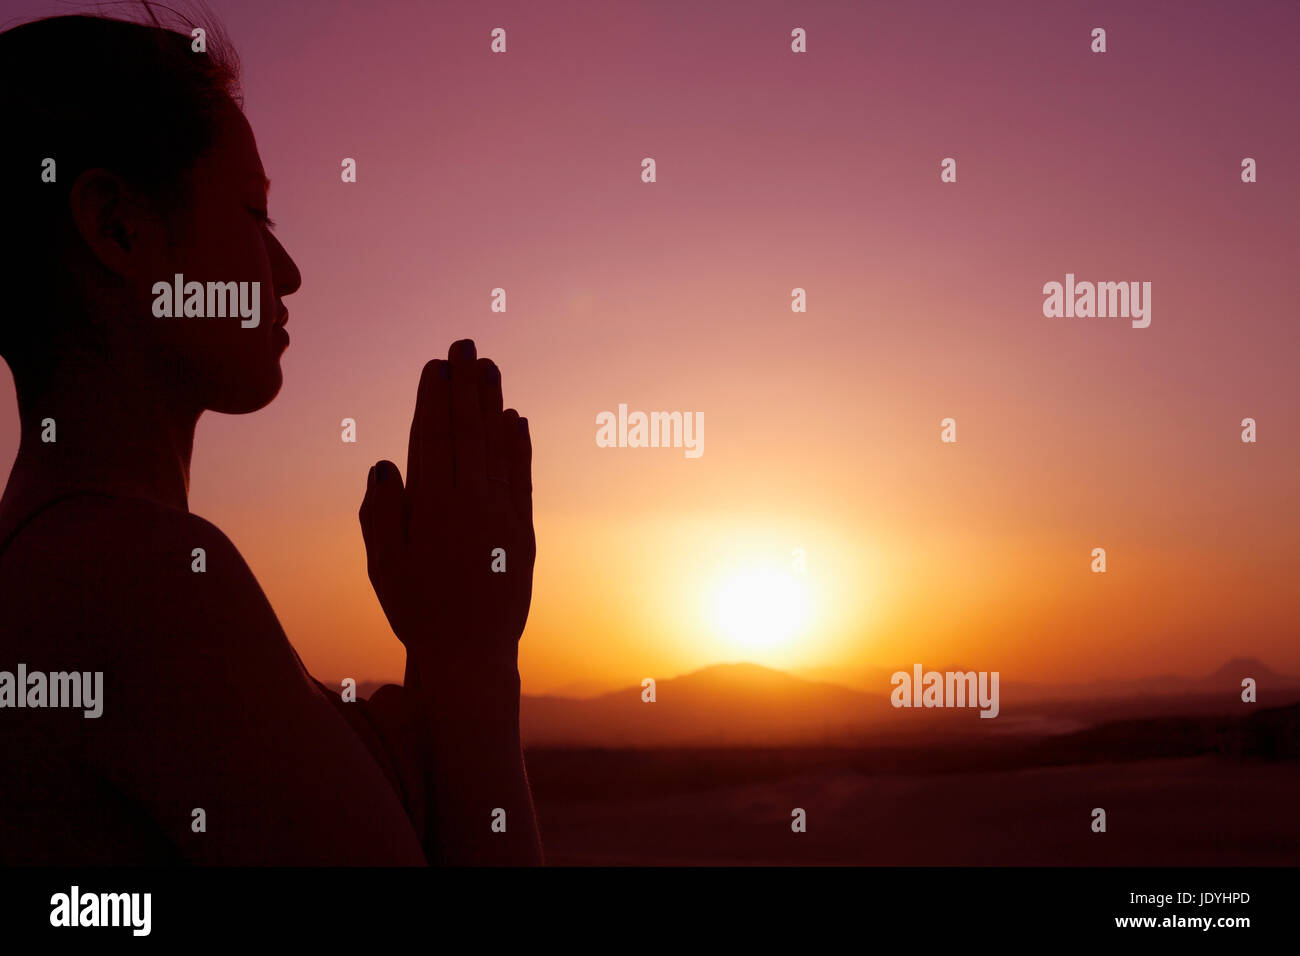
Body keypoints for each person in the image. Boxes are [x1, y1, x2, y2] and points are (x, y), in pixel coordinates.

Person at [0, 10, 542, 865]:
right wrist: (473, 653)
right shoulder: (133, 580)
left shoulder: (61, 557)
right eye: (256, 212)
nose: (285, 272)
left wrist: (435, 657)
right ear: (118, 227)